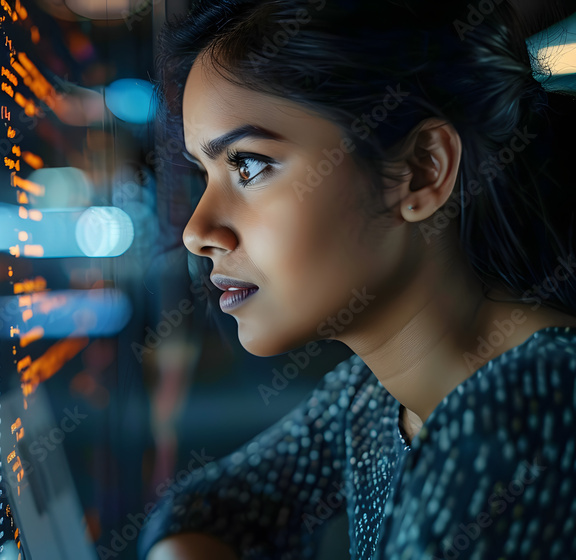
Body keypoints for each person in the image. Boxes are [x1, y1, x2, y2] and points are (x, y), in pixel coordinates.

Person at [137, 0, 576, 558]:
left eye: (249, 165)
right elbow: (204, 504)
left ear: (421, 171)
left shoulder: (528, 411)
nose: (198, 231)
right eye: (206, 172)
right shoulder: (371, 399)